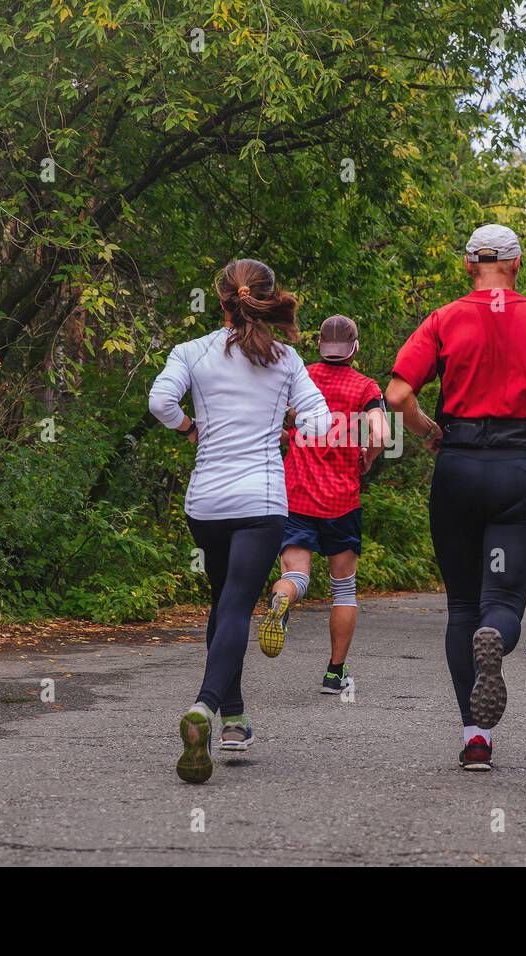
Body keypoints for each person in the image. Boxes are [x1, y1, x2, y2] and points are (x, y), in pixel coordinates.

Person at [386, 224, 526, 772]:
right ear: (516, 265)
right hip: (516, 471)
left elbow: (397, 393)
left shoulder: (444, 319)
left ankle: (476, 738)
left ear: (467, 266)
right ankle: (495, 637)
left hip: (457, 467)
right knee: (502, 602)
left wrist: (430, 428)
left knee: (459, 605)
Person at [148, 258, 331, 784]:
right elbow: (317, 423)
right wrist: (289, 423)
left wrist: (190, 428)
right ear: (268, 298)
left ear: (221, 298)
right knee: (235, 607)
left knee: (222, 603)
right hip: (261, 502)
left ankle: (234, 720)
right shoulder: (287, 360)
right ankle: (204, 708)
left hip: (205, 504)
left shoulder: (191, 352)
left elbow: (160, 400)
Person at [259, 316, 390, 694]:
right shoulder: (365, 386)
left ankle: (282, 598)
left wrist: (288, 435)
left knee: (297, 575)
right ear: (354, 348)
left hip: (296, 493)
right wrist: (368, 454)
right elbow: (381, 431)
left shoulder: (299, 376)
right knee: (343, 589)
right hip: (341, 500)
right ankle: (335, 673)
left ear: (320, 346)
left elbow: (269, 416)